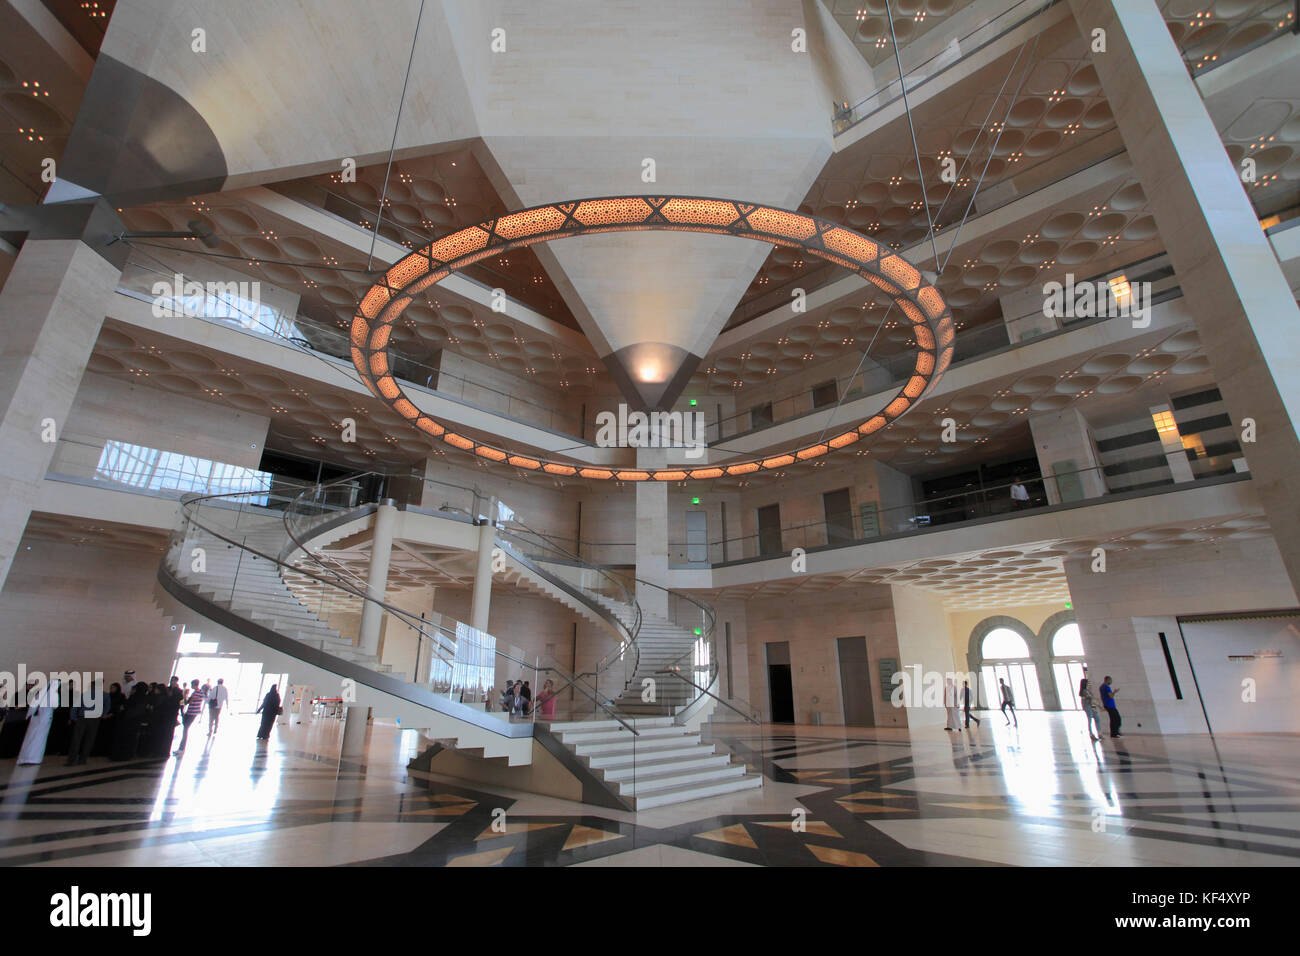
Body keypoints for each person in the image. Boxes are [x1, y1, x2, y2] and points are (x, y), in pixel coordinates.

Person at [17, 678, 58, 765]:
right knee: (37, 739)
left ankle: (27, 758)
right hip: (43, 719)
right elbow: (55, 706)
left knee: (32, 738)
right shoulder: (52, 694)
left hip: (38, 718)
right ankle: (32, 758)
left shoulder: (41, 694)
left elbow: (33, 706)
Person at [67, 678, 104, 765]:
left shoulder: (85, 695)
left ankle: (72, 760)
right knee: (88, 740)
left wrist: (74, 718)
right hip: (94, 719)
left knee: (77, 739)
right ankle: (82, 759)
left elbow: (75, 707)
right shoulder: (102, 696)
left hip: (83, 718)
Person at [175, 679, 206, 754]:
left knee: (185, 730)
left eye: (192, 684)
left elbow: (187, 702)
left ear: (195, 684)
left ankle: (181, 748)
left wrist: (184, 699)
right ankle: (181, 748)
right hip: (190, 712)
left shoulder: (198, 693)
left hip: (192, 713)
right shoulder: (197, 692)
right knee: (185, 730)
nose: (191, 686)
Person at [1079, 677, 1104, 742]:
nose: (1089, 684)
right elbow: (1091, 699)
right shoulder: (1084, 691)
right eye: (1088, 683)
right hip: (1087, 706)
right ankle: (1091, 734)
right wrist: (1099, 706)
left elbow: (1092, 699)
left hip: (1091, 706)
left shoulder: (1087, 691)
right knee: (1090, 719)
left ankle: (1099, 733)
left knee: (1097, 719)